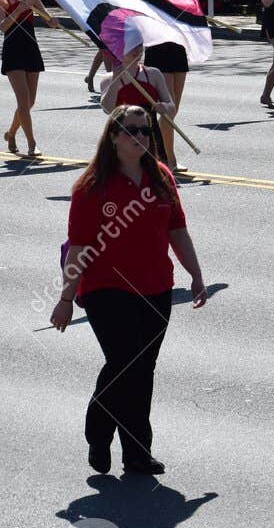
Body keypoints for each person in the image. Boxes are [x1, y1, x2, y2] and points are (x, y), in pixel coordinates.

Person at [52, 106, 207, 476]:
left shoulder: (161, 177)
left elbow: (177, 231)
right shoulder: (91, 186)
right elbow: (78, 248)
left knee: (143, 369)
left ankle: (137, 453)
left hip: (155, 286)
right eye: (133, 129)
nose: (141, 136)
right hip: (105, 287)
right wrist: (65, 299)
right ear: (114, 136)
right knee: (125, 364)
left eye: (146, 130)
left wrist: (197, 275)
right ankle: (98, 430)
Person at [100, 45, 177, 164]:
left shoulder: (153, 74)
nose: (138, 50)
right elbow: (107, 109)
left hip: (148, 135)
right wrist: (116, 79)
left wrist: (164, 107)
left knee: (153, 176)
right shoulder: (108, 78)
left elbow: (171, 107)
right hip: (121, 137)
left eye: (140, 45)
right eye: (132, 46)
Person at [0, 0, 48, 157]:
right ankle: (32, 143)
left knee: (30, 101)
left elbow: (48, 18)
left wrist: (52, 21)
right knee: (23, 100)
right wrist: (18, 9)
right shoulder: (0, 2)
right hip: (13, 51)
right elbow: (3, 27)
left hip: (30, 48)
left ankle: (10, 133)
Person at [142, 38, 191, 171]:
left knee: (173, 109)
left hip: (178, 49)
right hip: (158, 50)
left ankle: (158, 154)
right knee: (169, 110)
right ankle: (169, 159)